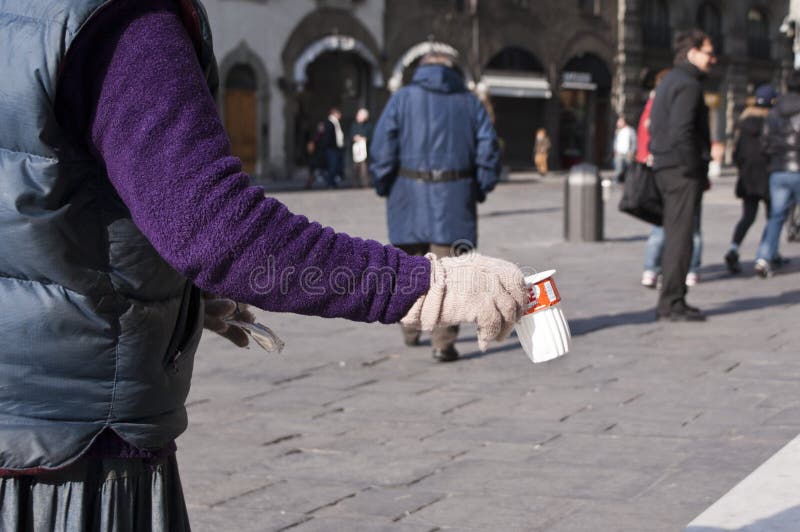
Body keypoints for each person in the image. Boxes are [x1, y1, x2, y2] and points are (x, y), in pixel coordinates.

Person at [0, 2, 528, 529]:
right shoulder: (125, 22)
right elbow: (216, 230)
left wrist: (172, 290)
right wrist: (423, 285)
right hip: (73, 453)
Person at [370, 51, 502, 362]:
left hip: (407, 198)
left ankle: (410, 328)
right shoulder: (470, 103)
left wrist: (383, 184)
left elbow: (382, 147)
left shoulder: (401, 99)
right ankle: (443, 343)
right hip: (455, 198)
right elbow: (488, 150)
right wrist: (479, 188)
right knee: (451, 276)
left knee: (408, 269)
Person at [649, 29, 715, 321]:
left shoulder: (670, 80)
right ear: (692, 52)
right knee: (681, 237)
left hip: (667, 167)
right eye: (709, 53)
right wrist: (693, 167)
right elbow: (682, 132)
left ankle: (672, 299)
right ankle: (672, 303)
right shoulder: (688, 84)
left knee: (676, 234)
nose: (713, 59)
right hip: (681, 170)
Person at [638, 69, 703, 289]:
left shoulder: (652, 104)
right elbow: (684, 134)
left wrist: (646, 156)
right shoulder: (678, 100)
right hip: (678, 168)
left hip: (658, 167)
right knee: (690, 226)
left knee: (662, 224)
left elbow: (645, 135)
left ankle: (651, 269)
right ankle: (689, 270)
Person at [724, 84, 777, 273]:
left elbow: (736, 153)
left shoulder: (744, 122)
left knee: (747, 217)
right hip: (769, 176)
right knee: (773, 218)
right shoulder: (772, 121)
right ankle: (765, 254)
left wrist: (743, 169)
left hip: (748, 177)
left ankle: (733, 248)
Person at [755, 71, 800, 278]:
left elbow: (764, 142)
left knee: (776, 216)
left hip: (779, 169)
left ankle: (764, 257)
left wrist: (774, 158)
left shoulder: (774, 111)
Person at [319, 107, 345, 188]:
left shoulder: (336, 123)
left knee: (335, 166)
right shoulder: (329, 123)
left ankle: (332, 182)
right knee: (332, 166)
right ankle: (330, 182)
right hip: (331, 148)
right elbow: (328, 137)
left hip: (335, 147)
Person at [349, 107, 373, 188]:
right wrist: (355, 137)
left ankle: (365, 183)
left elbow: (371, 136)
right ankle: (354, 183)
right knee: (355, 167)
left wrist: (365, 138)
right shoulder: (354, 125)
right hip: (356, 149)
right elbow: (351, 135)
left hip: (365, 149)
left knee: (364, 167)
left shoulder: (369, 125)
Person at [613, 116, 637, 183]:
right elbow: (615, 141)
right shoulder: (618, 131)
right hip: (619, 153)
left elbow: (634, 142)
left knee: (629, 170)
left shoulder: (630, 130)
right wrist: (615, 150)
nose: (618, 123)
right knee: (618, 170)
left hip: (628, 153)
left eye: (619, 121)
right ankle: (617, 182)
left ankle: (629, 183)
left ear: (624, 122)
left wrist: (632, 152)